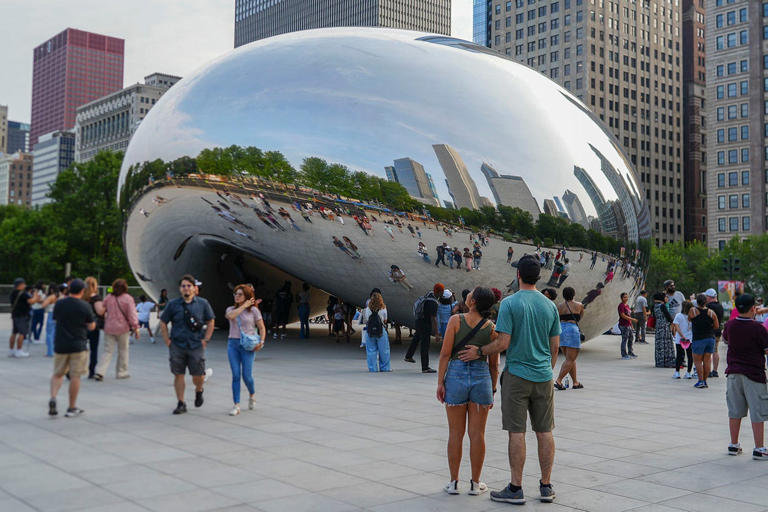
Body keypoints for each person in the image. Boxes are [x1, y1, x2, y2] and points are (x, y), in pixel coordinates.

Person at [457, 255, 560, 504]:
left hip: (517, 376)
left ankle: (516, 488)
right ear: (539, 277)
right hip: (543, 376)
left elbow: (503, 343)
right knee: (545, 431)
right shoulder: (550, 306)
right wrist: (547, 368)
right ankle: (546, 486)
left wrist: (479, 351)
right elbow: (555, 345)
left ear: (518, 275)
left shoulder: (511, 304)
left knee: (517, 432)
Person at [436, 287, 499, 496]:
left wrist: (440, 382)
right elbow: (494, 364)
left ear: (472, 302)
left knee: (455, 433)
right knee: (477, 434)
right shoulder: (491, 327)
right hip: (482, 377)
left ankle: (454, 482)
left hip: (456, 375)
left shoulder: (455, 321)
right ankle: (475, 483)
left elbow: (445, 354)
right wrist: (492, 387)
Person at [159, 274, 215, 414]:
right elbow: (163, 322)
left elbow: (211, 321)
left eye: (189, 286)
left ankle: (199, 389)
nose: (186, 289)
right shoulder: (173, 304)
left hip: (196, 345)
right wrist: (167, 340)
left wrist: (206, 339)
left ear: (194, 288)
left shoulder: (202, 304)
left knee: (198, 376)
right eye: (183, 286)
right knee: (178, 374)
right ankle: (181, 402)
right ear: (180, 289)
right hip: (177, 345)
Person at [722, 294, 768, 460]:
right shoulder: (758, 328)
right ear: (753, 309)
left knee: (734, 410)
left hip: (733, 372)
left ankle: (734, 444)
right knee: (758, 410)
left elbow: (726, 339)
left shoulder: (730, 325)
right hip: (754, 374)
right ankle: (759, 448)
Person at [48, 279, 95, 418]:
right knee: (75, 376)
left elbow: (56, 319)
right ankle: (71, 407)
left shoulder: (60, 304)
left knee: (58, 374)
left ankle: (53, 397)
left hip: (61, 343)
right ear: (82, 291)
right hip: (78, 344)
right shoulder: (85, 306)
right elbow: (91, 326)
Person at [225, 284, 266, 416]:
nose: (237, 296)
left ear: (247, 296)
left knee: (247, 376)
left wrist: (262, 341)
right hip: (233, 344)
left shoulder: (254, 311)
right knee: (236, 374)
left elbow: (261, 327)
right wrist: (243, 306)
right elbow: (230, 317)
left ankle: (252, 394)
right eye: (235, 294)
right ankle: (236, 405)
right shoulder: (230, 309)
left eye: (240, 294)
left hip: (247, 345)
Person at [94, 279, 139, 381]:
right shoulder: (128, 299)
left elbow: (102, 309)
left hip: (109, 327)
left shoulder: (109, 297)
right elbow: (132, 315)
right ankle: (122, 372)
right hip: (123, 328)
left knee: (107, 351)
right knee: (123, 350)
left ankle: (100, 371)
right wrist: (136, 327)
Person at [405, 283, 442, 373]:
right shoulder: (433, 302)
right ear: (439, 292)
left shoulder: (429, 295)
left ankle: (408, 356)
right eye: (442, 292)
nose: (443, 294)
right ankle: (425, 367)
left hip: (418, 321)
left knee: (416, 338)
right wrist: (437, 334)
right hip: (425, 324)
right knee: (425, 345)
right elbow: (433, 319)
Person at [555, 287, 584, 389]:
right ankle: (558, 380)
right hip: (572, 329)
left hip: (561, 329)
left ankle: (575, 382)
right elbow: (580, 317)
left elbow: (557, 318)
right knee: (570, 359)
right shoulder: (579, 305)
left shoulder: (559, 306)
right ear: (574, 294)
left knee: (570, 359)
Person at [689, 293, 719, 389]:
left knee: (697, 361)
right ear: (706, 302)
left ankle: (700, 381)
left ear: (697, 302)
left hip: (698, 339)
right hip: (710, 338)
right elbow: (717, 326)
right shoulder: (711, 313)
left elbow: (689, 319)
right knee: (707, 360)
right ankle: (705, 381)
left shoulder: (693, 311)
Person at [8, 277, 41, 358]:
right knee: (22, 333)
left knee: (14, 333)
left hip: (15, 314)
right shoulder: (23, 293)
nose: (25, 285)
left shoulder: (12, 293)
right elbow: (31, 301)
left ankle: (11, 350)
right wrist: (36, 298)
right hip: (22, 315)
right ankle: (19, 350)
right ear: (21, 285)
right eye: (24, 284)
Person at [359, 292, 390, 372]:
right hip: (381, 330)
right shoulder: (383, 308)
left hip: (370, 330)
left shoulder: (367, 309)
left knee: (371, 350)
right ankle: (384, 368)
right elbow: (385, 320)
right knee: (384, 350)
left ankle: (372, 368)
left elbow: (366, 319)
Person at [82, 277, 105, 379]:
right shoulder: (96, 298)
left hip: (81, 326)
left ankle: (73, 368)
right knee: (93, 349)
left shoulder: (81, 296)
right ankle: (91, 371)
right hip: (94, 326)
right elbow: (100, 311)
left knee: (80, 348)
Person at [705, 288, 725, 378]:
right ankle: (715, 371)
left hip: (710, 331)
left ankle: (708, 371)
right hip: (718, 331)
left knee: (708, 352)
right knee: (715, 351)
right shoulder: (720, 306)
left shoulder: (709, 306)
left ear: (709, 297)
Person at [671, 301, 694, 379]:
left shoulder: (678, 315)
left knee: (679, 356)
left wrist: (682, 336)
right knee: (690, 356)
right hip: (690, 339)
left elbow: (676, 327)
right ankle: (688, 373)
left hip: (680, 339)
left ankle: (677, 372)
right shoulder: (692, 317)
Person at [653, 293, 676, 368]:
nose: (667, 298)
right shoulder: (662, 306)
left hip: (658, 325)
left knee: (659, 344)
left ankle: (660, 361)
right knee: (666, 343)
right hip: (664, 326)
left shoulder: (654, 306)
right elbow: (668, 317)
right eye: (665, 297)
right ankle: (668, 361)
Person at [42, 283, 61, 357]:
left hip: (51, 314)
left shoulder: (51, 297)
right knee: (55, 333)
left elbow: (43, 305)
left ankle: (50, 351)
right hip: (58, 314)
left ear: (51, 289)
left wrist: (44, 300)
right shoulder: (60, 296)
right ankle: (55, 350)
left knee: (49, 333)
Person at [618, 293, 638, 360]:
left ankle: (630, 352)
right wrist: (633, 319)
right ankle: (624, 355)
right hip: (623, 325)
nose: (626, 298)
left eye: (627, 297)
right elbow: (622, 315)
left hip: (628, 325)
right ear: (621, 298)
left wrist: (631, 324)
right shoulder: (621, 306)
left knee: (631, 338)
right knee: (624, 339)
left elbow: (629, 315)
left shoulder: (627, 306)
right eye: (624, 297)